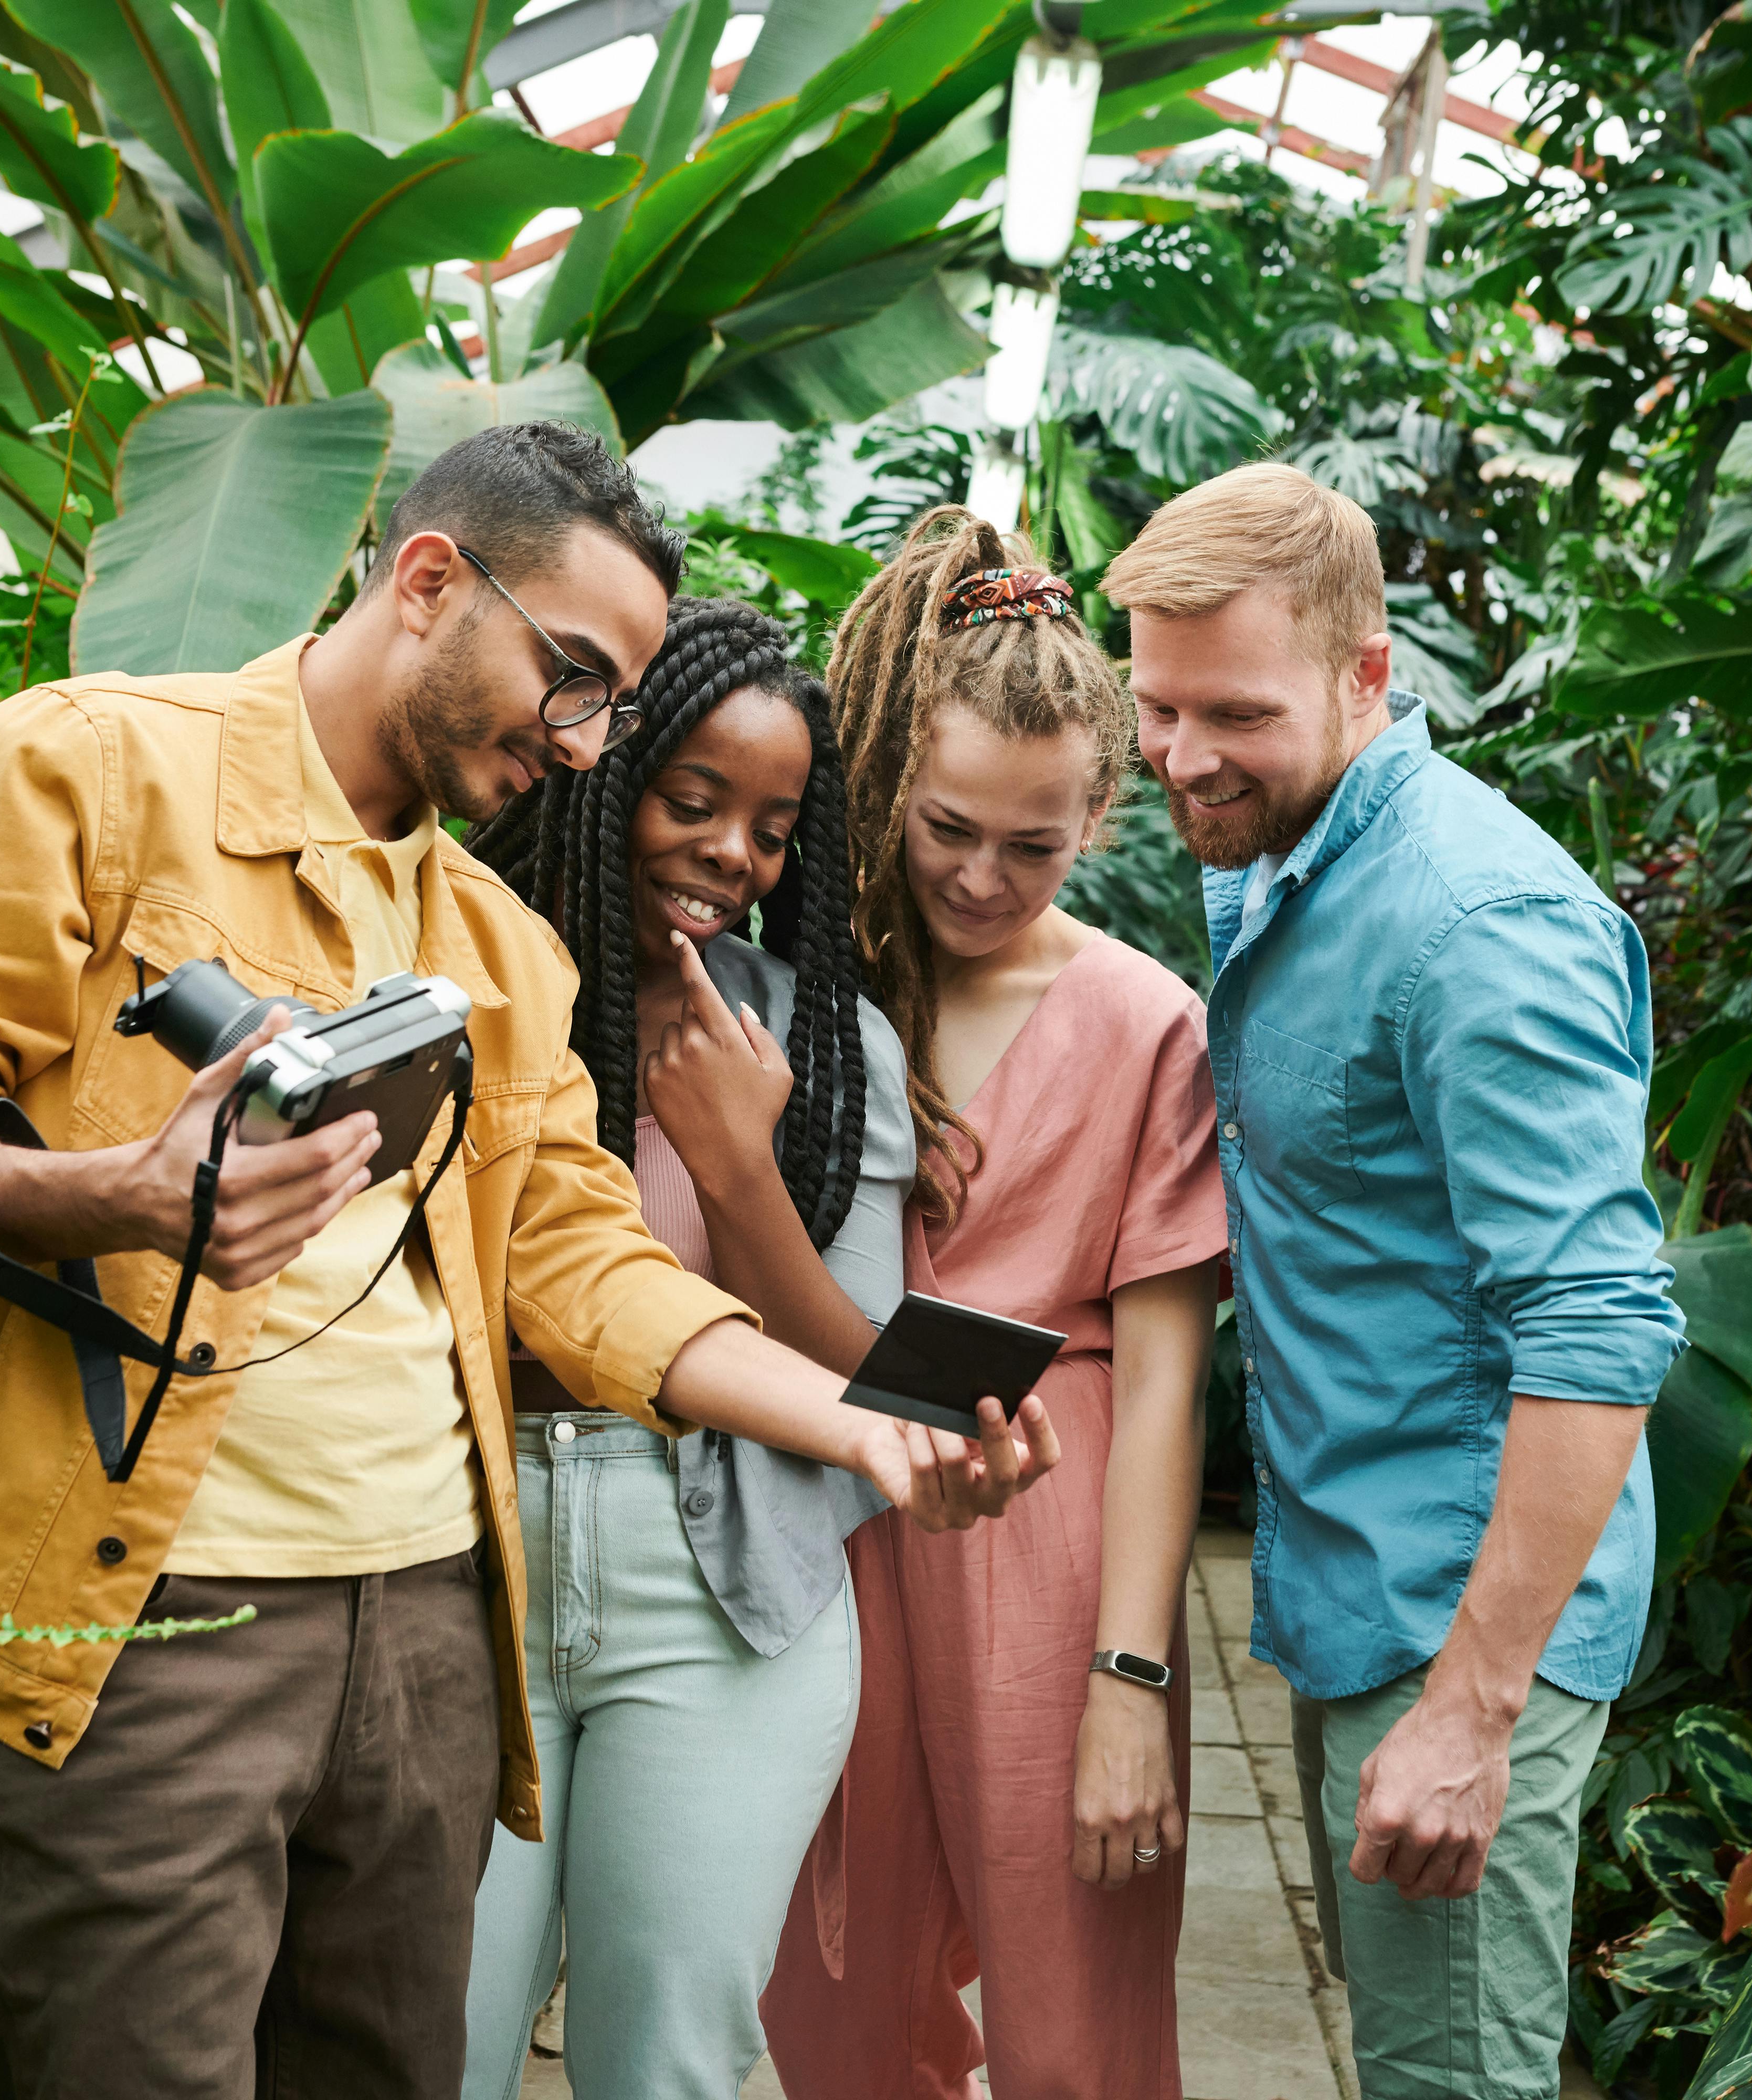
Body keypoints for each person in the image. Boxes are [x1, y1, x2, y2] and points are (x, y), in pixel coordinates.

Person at [0, 426, 1059, 2100]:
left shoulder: (501, 949)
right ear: (426, 582)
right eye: (572, 678)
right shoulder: (95, 772)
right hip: (157, 1616)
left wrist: (865, 1430)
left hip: (430, 1628)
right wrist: (123, 1194)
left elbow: (589, 1268)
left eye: (611, 703)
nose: (585, 739)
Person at [1105, 462, 1685, 2100]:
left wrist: (1472, 1712)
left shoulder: (1478, 924)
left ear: (1368, 674)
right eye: (1159, 706)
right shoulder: (1284, 847)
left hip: (1455, 1623)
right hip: (1352, 1596)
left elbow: (1599, 1327)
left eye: (1237, 713)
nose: (1185, 757)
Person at [759, 508, 1227, 2100]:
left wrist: (1130, 1681)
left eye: (1034, 846)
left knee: (1074, 2006)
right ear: (890, 782)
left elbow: (1164, 1383)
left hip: (1050, 1525)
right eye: (947, 827)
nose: (980, 877)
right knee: (827, 1990)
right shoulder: (813, 985)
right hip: (830, 1505)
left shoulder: (1145, 1023)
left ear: (1101, 810)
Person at [452, 597, 913, 2098]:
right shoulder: (467, 988)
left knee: (668, 2059)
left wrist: (738, 1168)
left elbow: (862, 1374)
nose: (732, 856)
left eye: (773, 831)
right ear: (601, 776)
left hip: (725, 1580)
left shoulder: (819, 1043)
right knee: (427, 2040)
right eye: (693, 803)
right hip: (465, 1564)